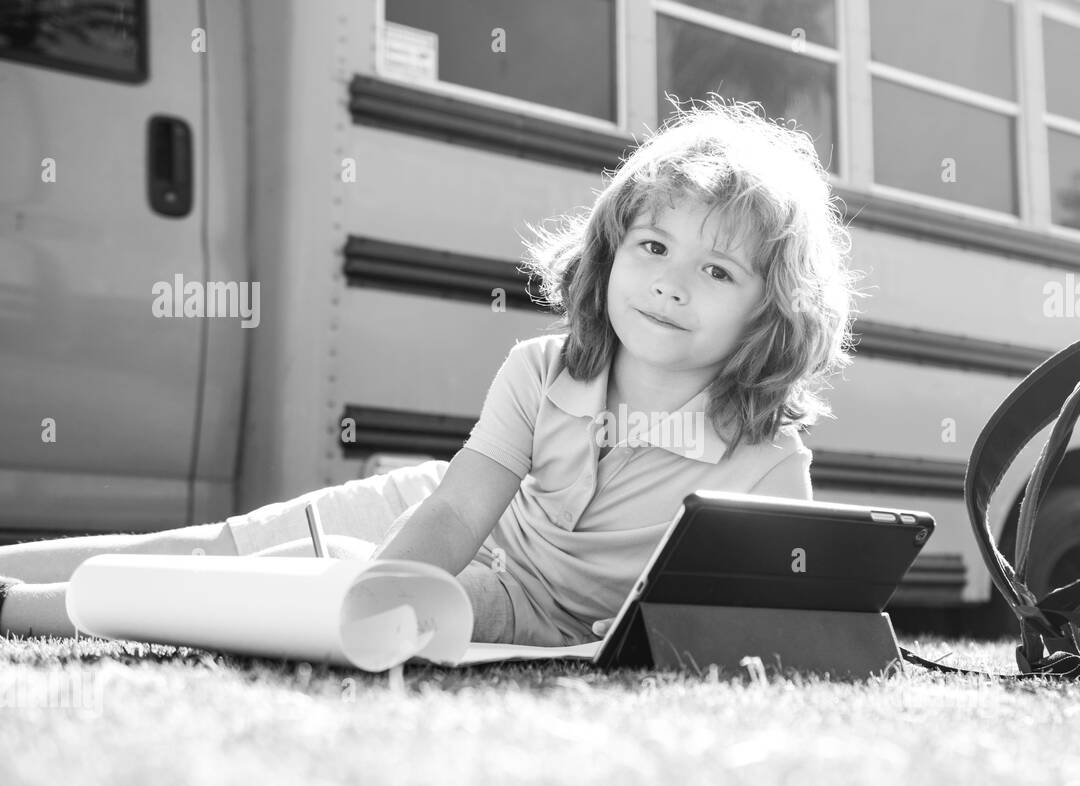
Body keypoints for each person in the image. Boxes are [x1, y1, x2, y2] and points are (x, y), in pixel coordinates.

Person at [0, 97, 861, 648]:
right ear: (610, 254)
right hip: (441, 511)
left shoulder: (767, 457)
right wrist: (384, 578)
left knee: (255, 589)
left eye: (718, 271)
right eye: (653, 246)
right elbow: (456, 506)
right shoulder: (543, 369)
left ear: (771, 309)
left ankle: (15, 608)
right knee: (222, 545)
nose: (672, 281)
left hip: (516, 601)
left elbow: (776, 614)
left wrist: (365, 599)